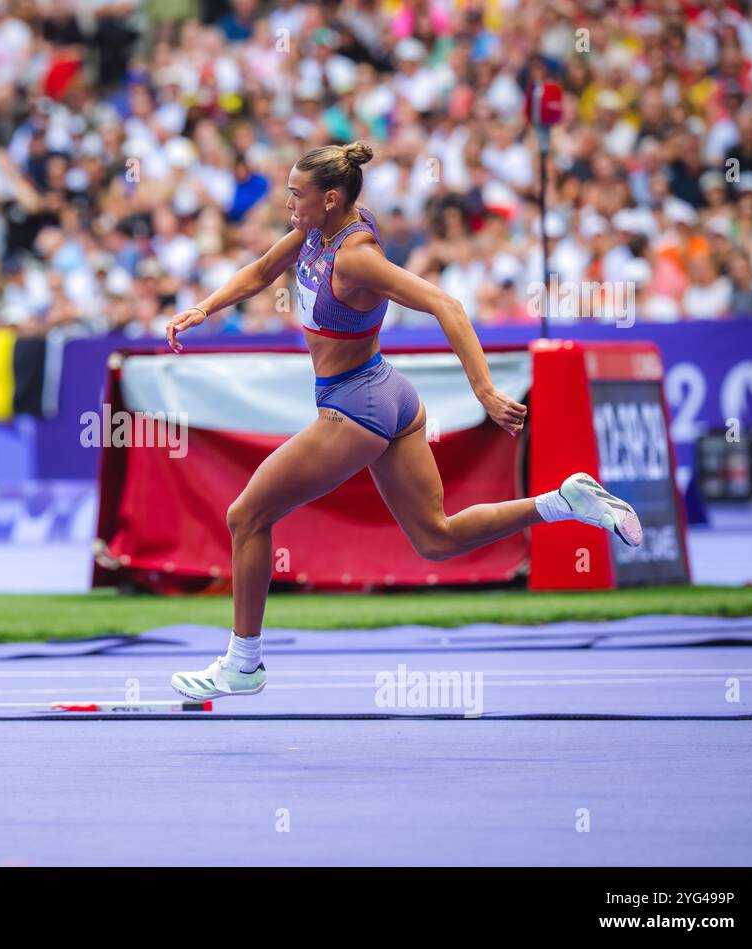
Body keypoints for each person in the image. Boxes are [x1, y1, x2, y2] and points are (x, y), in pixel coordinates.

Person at [164, 143, 642, 701]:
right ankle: (564, 503)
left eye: (298, 194)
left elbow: (448, 305)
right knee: (437, 539)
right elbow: (262, 270)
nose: (288, 202)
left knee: (246, 516)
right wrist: (204, 308)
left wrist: (484, 390)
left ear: (331, 198)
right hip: (390, 395)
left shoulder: (356, 255)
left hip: (355, 406)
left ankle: (243, 664)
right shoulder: (317, 233)